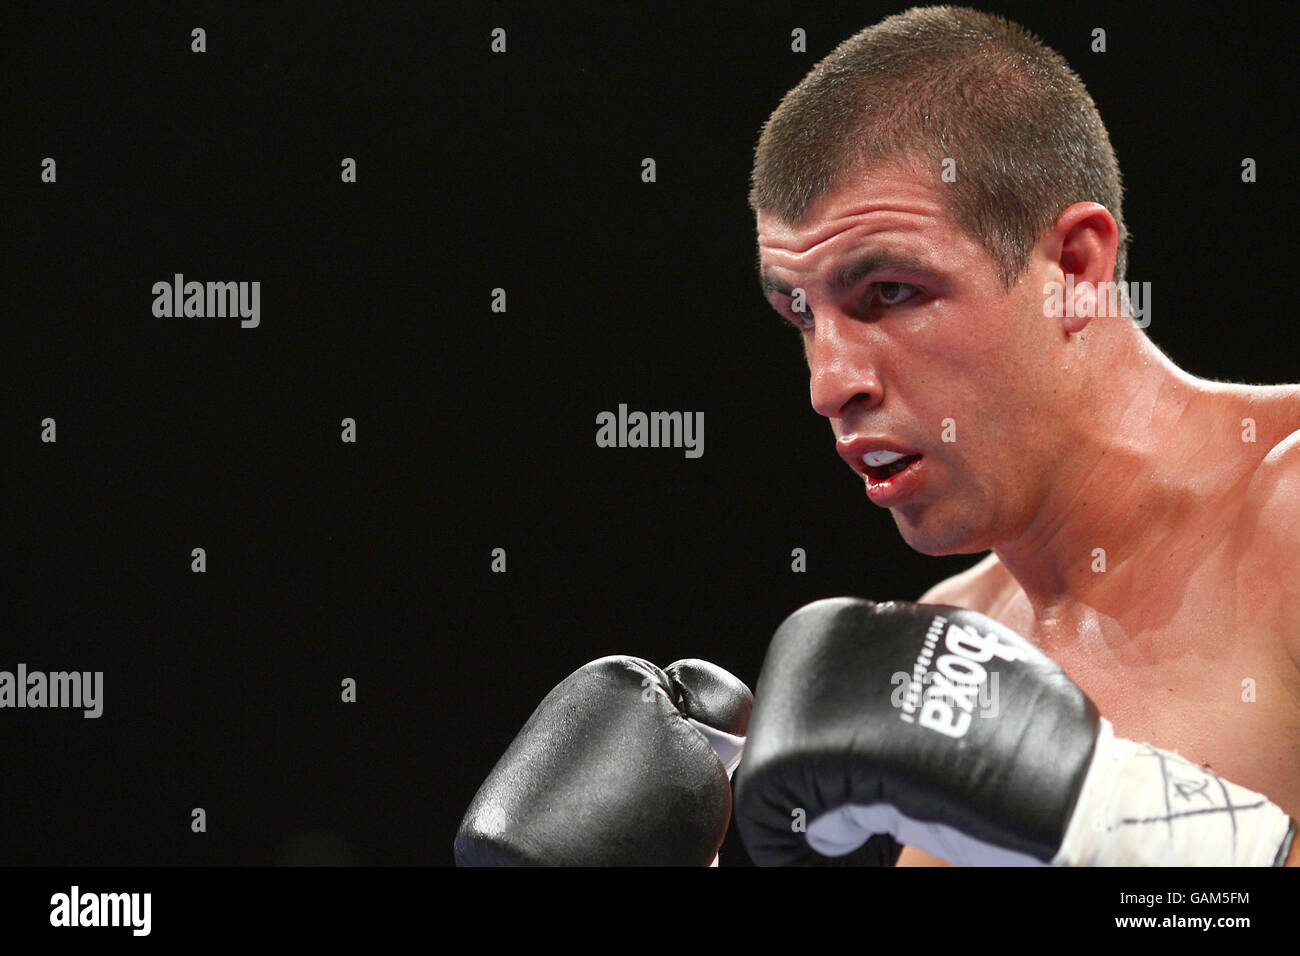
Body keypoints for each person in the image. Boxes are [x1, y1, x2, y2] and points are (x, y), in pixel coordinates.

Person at [742, 5, 1299, 865]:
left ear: (1074, 269)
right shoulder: (950, 648)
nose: (830, 382)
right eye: (801, 313)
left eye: (889, 291)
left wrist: (1109, 819)